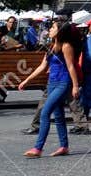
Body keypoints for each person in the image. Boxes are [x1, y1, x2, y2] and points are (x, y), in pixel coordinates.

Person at [20, 22, 82, 158]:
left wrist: (75, 86)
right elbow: (42, 67)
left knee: (45, 113)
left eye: (53, 27)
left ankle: (38, 148)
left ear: (60, 31)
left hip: (63, 83)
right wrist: (26, 80)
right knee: (59, 116)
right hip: (52, 83)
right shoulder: (51, 47)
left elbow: (71, 67)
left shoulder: (66, 46)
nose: (50, 29)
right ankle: (64, 146)